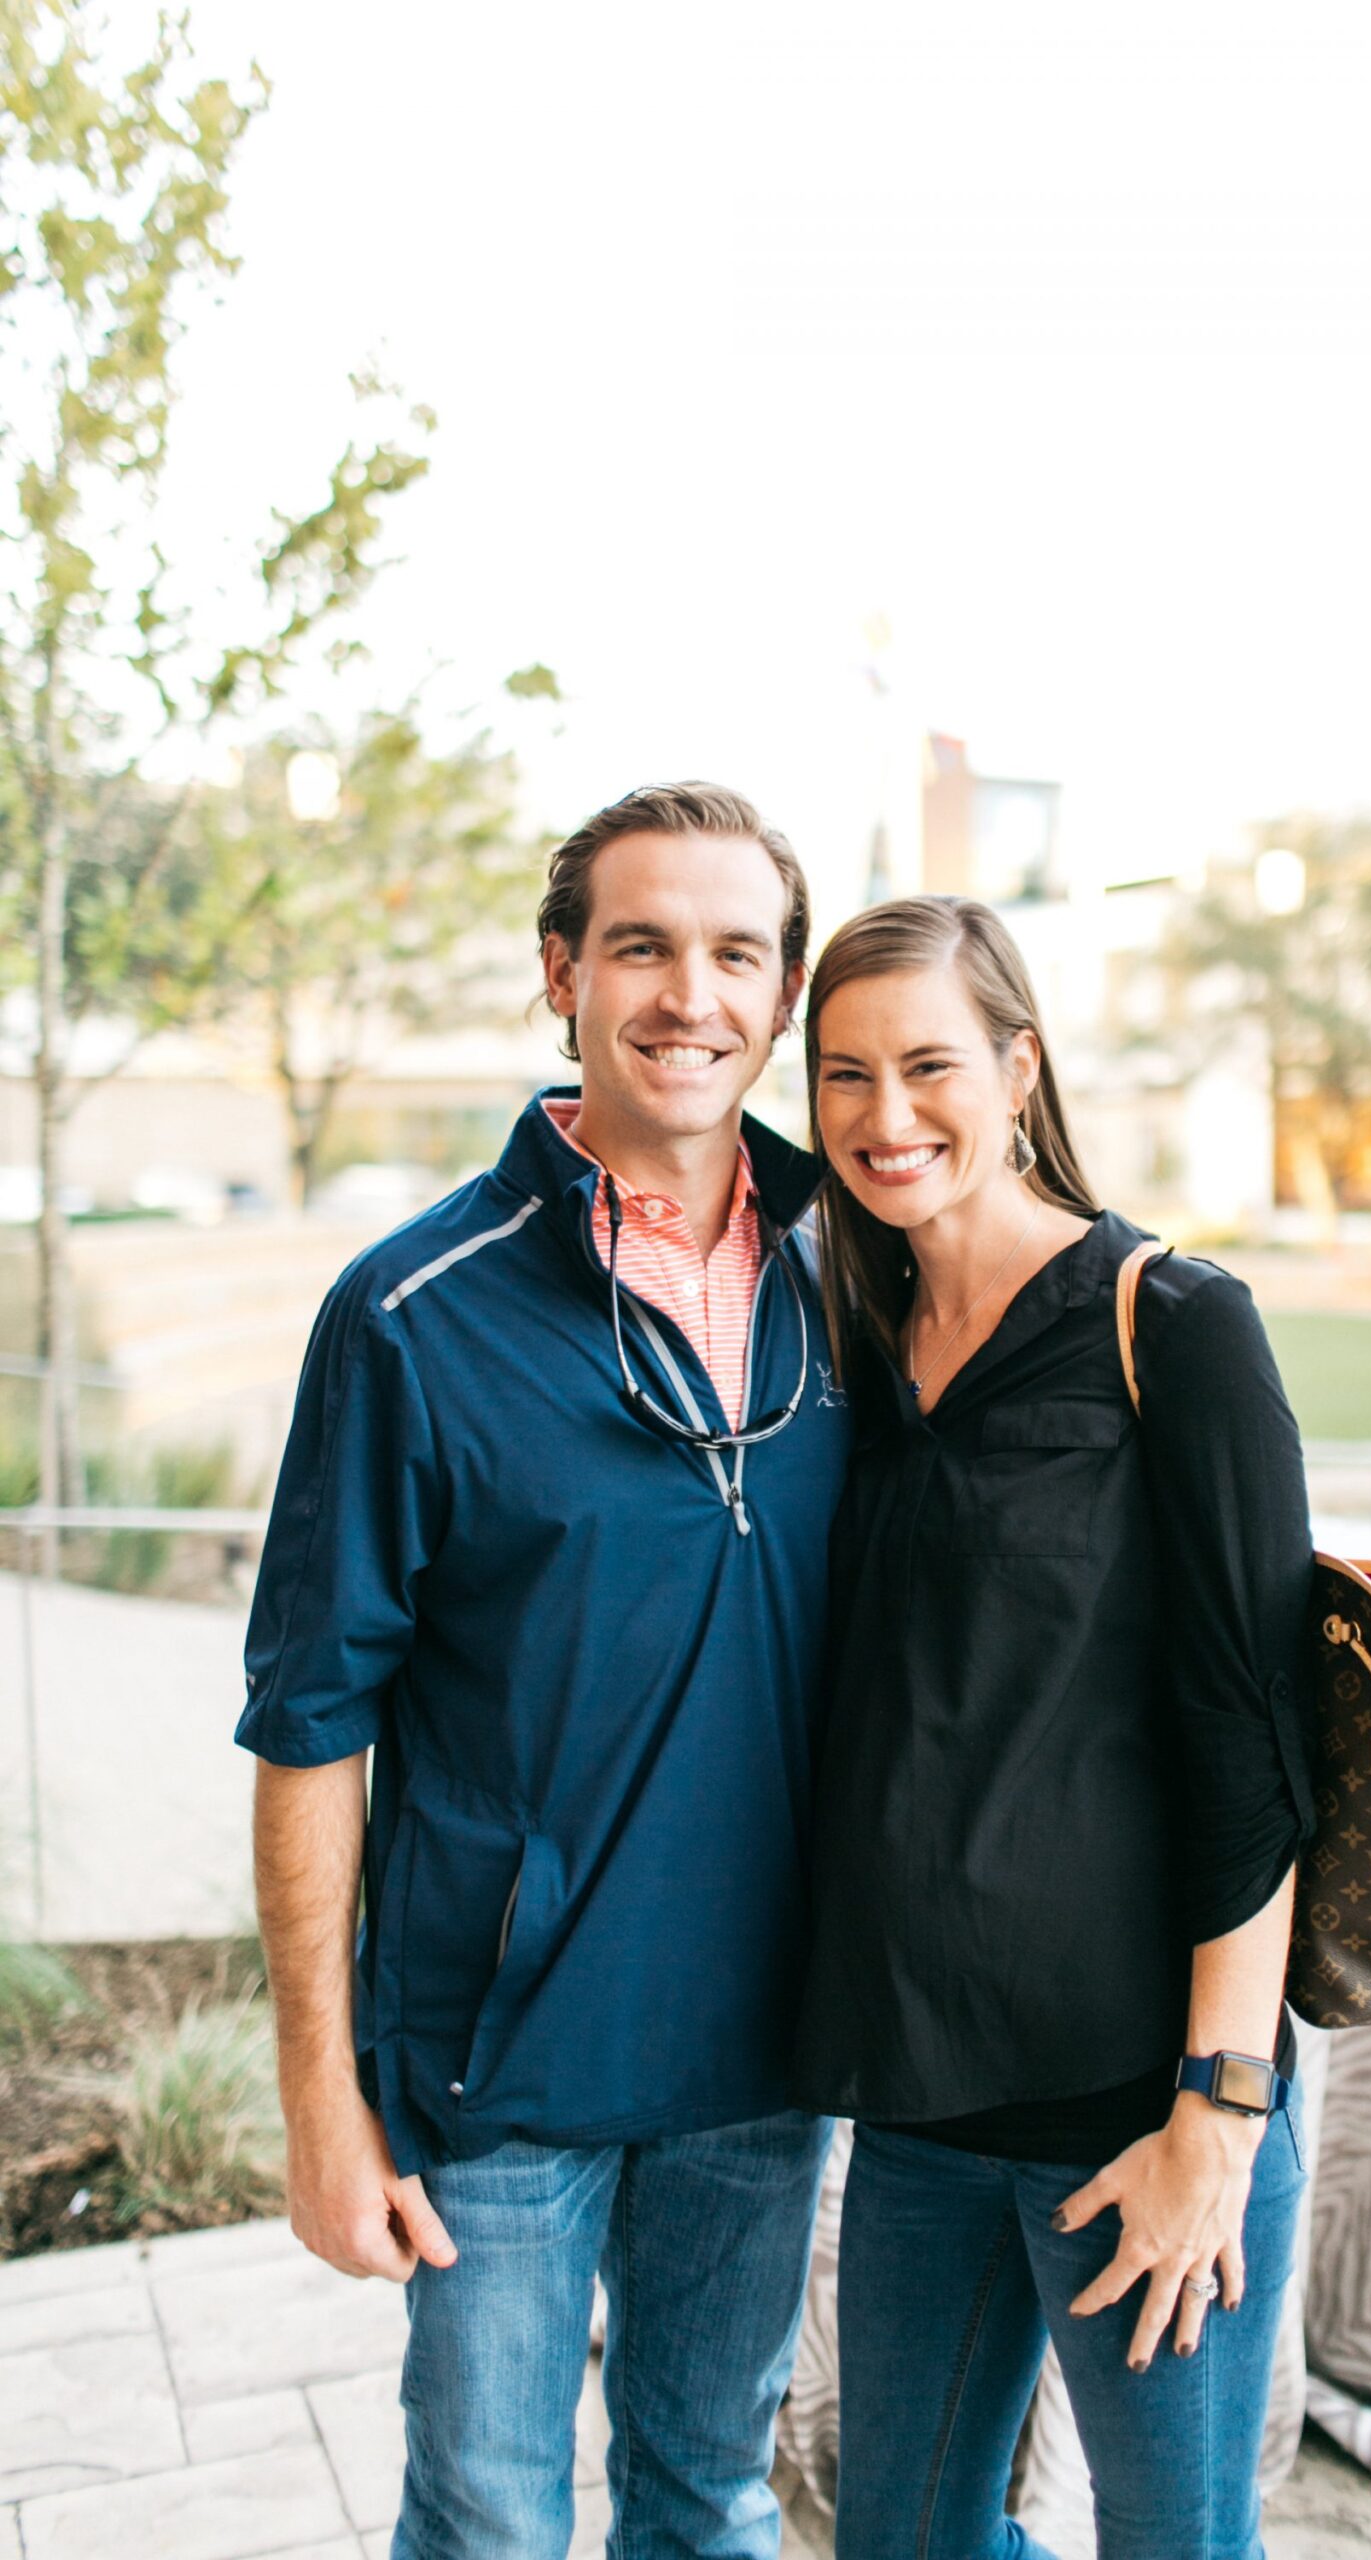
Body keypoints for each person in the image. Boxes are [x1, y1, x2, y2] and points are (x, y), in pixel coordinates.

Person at [237, 783, 854, 2560]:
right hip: (495, 2078)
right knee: (492, 2523)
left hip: (767, 2051)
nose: (689, 994)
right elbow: (307, 1725)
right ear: (560, 975)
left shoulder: (856, 1285)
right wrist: (318, 2101)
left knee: (710, 2503)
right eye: (642, 945)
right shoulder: (413, 1311)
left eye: (736, 952)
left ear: (784, 990)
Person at [792, 895, 1318, 2560]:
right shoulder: (842, 1348)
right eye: (845, 1076)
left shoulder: (1171, 1325)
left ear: (1018, 1066)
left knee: (1174, 2546)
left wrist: (1217, 2114)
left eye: (931, 1064)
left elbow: (1259, 1745)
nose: (887, 1119)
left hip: (1138, 2106)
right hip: (925, 2111)